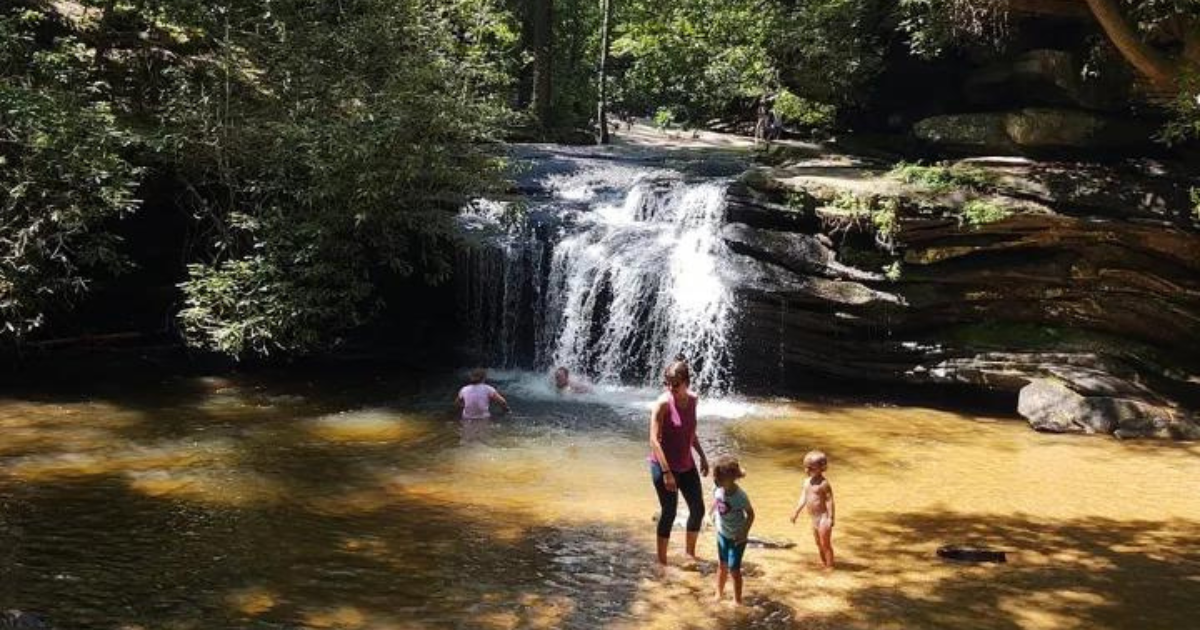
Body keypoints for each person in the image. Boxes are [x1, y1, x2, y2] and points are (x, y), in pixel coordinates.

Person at [648, 357, 710, 565]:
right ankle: (662, 561)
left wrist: (701, 455)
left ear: (687, 383)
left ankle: (690, 554)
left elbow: (690, 432)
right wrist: (666, 473)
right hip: (663, 465)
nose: (670, 387)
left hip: (686, 463)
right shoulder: (663, 404)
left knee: (698, 509)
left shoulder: (693, 400)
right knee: (669, 512)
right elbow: (654, 441)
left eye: (675, 384)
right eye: (667, 383)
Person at [710, 456, 755, 605]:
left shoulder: (740, 496)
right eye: (715, 478)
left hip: (737, 538)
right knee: (722, 565)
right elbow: (716, 501)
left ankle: (737, 600)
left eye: (719, 478)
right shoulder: (718, 488)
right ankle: (719, 593)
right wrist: (711, 513)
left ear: (732, 478)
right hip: (722, 533)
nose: (716, 481)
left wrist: (744, 533)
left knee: (734, 570)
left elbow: (751, 515)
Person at [790, 450, 836, 569]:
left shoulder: (824, 484)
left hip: (823, 518)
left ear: (822, 468)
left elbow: (829, 500)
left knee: (825, 544)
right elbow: (803, 498)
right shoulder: (806, 482)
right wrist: (796, 512)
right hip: (814, 519)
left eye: (811, 468)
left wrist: (831, 518)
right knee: (818, 543)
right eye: (806, 467)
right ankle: (823, 563)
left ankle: (829, 568)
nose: (807, 470)